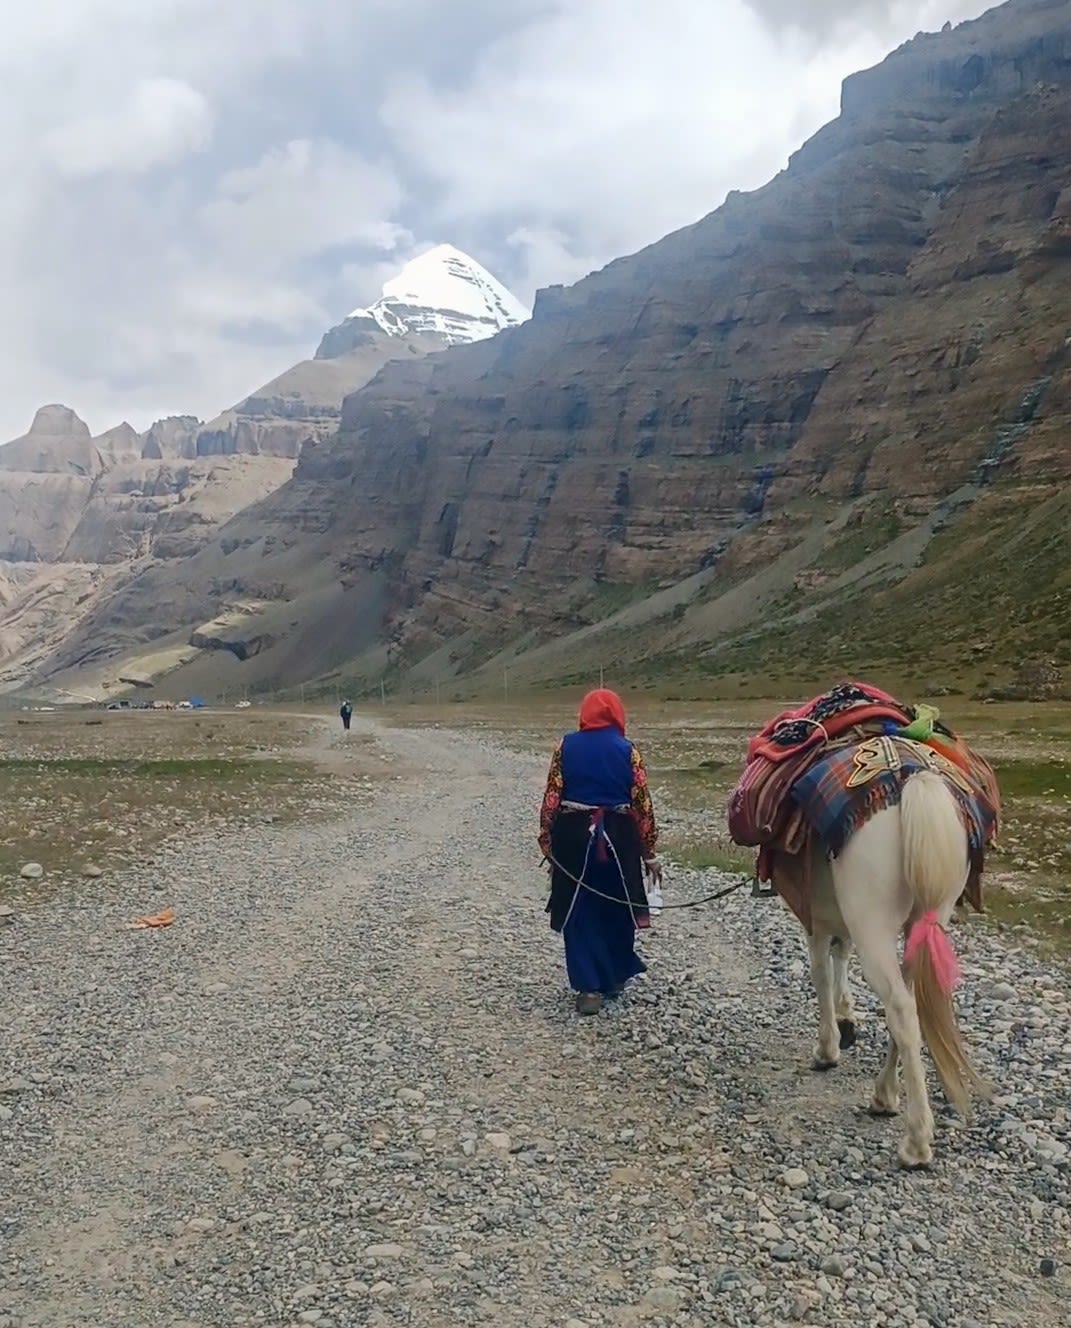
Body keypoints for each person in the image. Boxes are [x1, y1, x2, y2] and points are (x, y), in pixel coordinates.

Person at [538, 688, 662, 1015]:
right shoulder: (628, 751)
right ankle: (613, 977)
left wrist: (547, 842)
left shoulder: (565, 747)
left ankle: (588, 989)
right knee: (617, 907)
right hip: (620, 839)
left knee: (580, 910)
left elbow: (552, 797)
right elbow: (642, 804)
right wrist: (649, 850)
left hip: (572, 838)